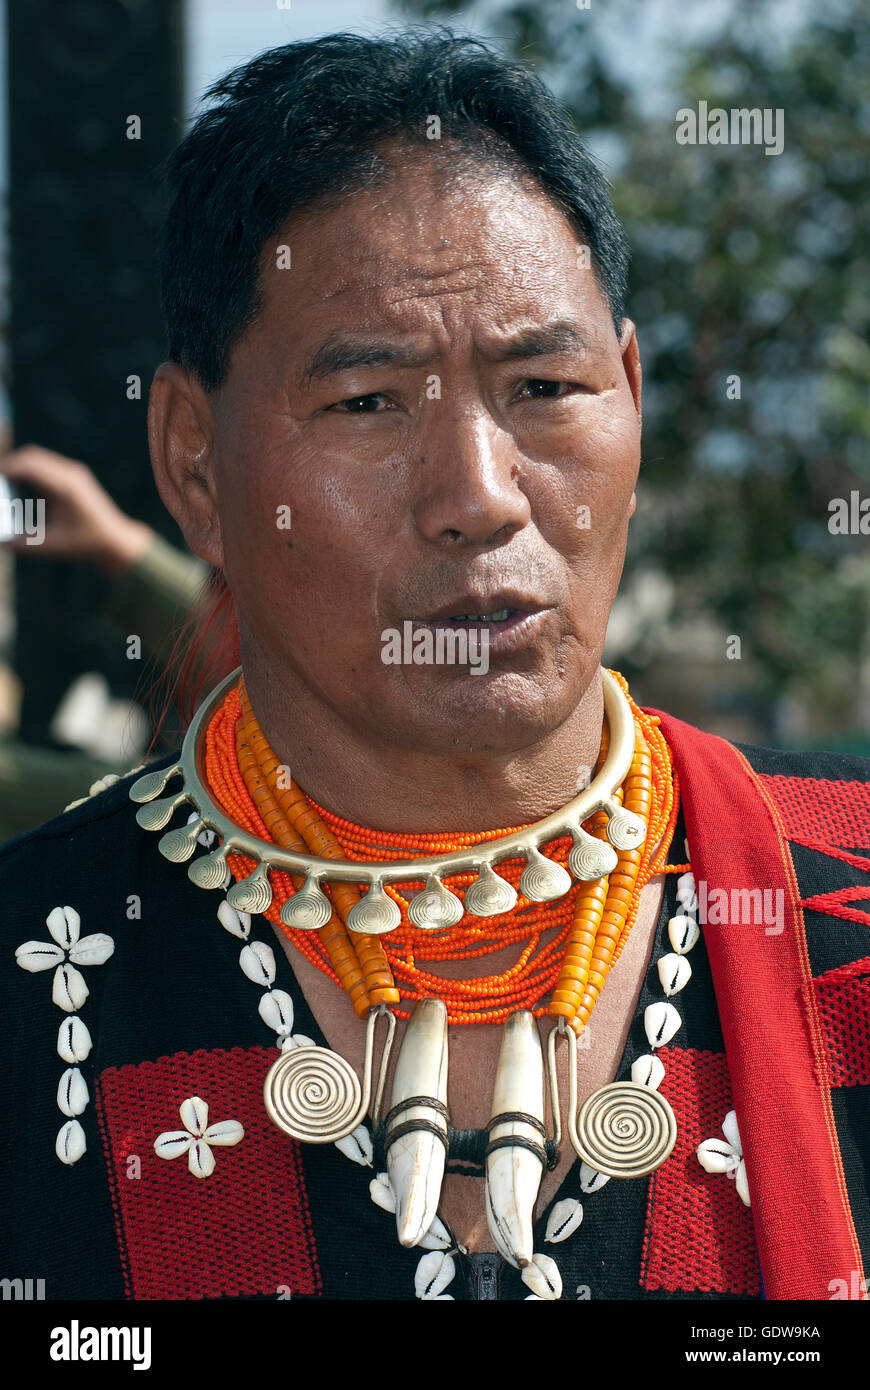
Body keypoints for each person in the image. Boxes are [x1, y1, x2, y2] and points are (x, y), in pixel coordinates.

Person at [1, 29, 867, 1304]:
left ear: (633, 394)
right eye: (367, 403)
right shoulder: (37, 970)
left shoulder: (844, 894)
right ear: (196, 463)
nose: (478, 496)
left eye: (545, 384)